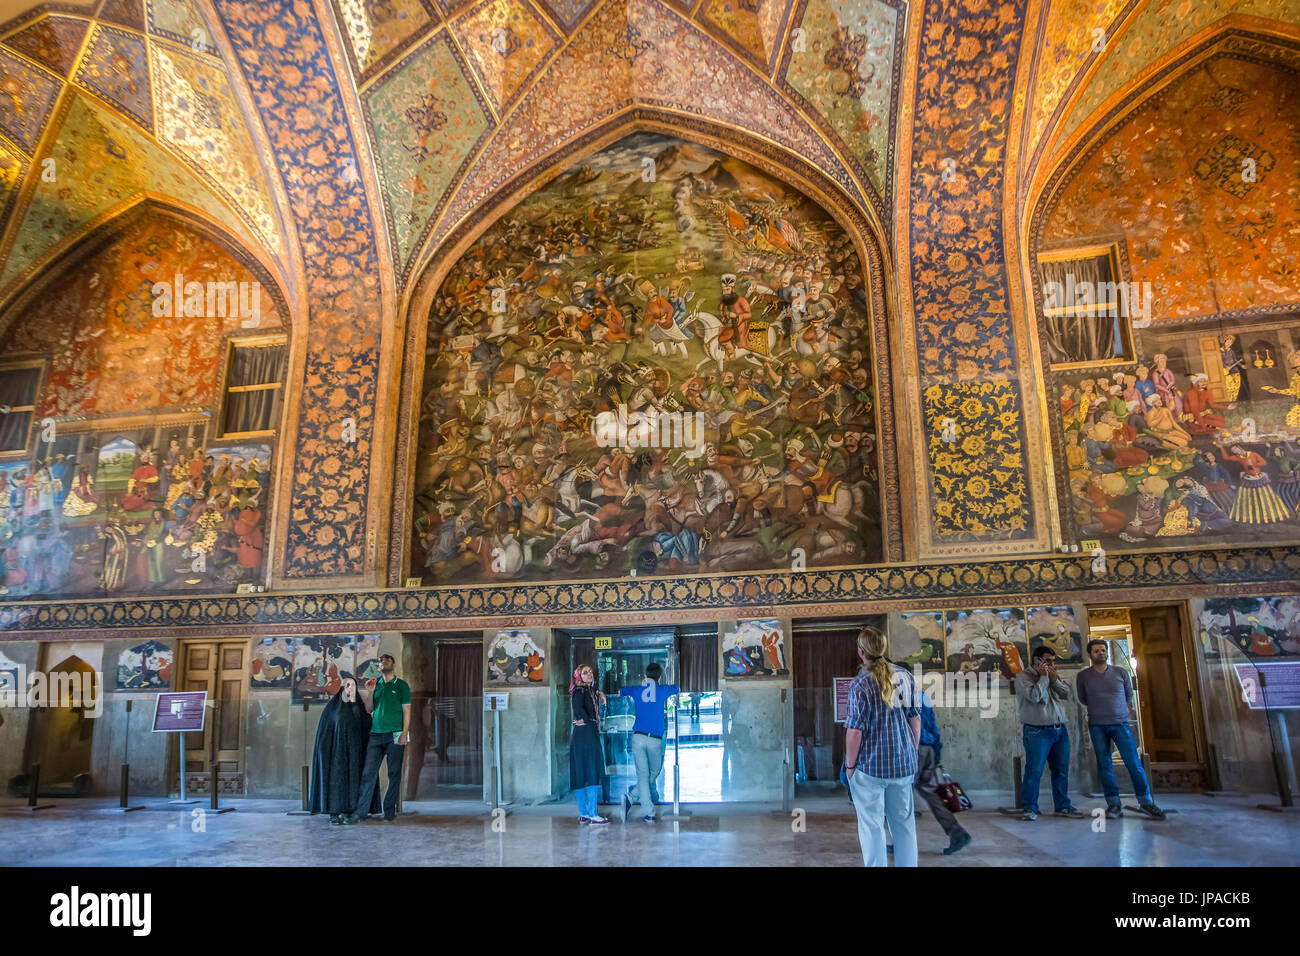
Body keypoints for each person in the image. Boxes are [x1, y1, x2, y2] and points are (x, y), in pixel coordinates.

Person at [844, 625, 920, 867]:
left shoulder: (860, 684)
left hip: (870, 767)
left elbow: (855, 732)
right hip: (903, 765)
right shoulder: (905, 677)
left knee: (872, 827)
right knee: (904, 825)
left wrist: (849, 766)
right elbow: (915, 719)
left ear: (860, 651)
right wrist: (911, 753)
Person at [1076, 639, 1166, 820]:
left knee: (1133, 763)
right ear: (1090, 654)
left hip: (1120, 724)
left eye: (1103, 650)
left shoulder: (1120, 672)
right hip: (1097, 725)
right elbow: (1083, 698)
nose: (1100, 653)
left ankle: (1146, 802)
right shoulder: (1083, 676)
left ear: (1107, 652)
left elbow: (1128, 695)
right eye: (1096, 651)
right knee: (1105, 765)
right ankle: (1114, 804)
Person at [1014, 645, 1083, 821]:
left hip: (1060, 730)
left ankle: (1062, 806)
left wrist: (1054, 679)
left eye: (1053, 661)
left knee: (1061, 770)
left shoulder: (1052, 676)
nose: (1052, 664)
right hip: (1037, 731)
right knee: (1034, 771)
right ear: (1037, 661)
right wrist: (1044, 678)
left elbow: (1067, 694)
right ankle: (1030, 808)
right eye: (1048, 661)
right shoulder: (1023, 678)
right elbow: (1035, 697)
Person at [343, 653, 410, 824]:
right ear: (378, 667)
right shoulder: (375, 684)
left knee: (394, 774)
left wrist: (404, 733)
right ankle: (361, 812)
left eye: (387, 660)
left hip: (395, 734)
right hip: (376, 735)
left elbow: (407, 711)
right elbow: (369, 709)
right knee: (368, 774)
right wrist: (370, 692)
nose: (383, 662)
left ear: (393, 664)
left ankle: (389, 810)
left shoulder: (401, 685)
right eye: (381, 661)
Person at [310, 678, 380, 824]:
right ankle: (334, 813)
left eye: (353, 685)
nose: (350, 688)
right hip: (336, 755)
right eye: (347, 685)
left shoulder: (359, 707)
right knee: (336, 783)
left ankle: (350, 811)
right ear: (342, 687)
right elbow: (324, 733)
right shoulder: (332, 707)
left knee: (354, 781)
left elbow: (368, 725)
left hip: (355, 754)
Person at [618, 662, 680, 823]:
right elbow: (677, 688)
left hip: (638, 737)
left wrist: (642, 685)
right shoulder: (662, 689)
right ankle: (648, 811)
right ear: (659, 677)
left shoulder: (638, 690)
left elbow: (621, 691)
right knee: (654, 771)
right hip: (655, 740)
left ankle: (632, 798)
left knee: (644, 774)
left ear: (645, 677)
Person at [915, 690, 972, 854]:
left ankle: (901, 842)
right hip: (929, 748)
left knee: (901, 795)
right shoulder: (922, 695)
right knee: (930, 792)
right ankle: (956, 832)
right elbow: (932, 724)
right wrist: (936, 751)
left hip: (914, 749)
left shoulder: (898, 695)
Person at [569, 664, 608, 824]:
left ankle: (585, 813)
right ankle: (592, 814)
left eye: (590, 672)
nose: (589, 674)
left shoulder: (588, 690)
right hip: (586, 734)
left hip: (586, 732)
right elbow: (579, 710)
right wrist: (585, 721)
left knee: (583, 770)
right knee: (590, 770)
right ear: (579, 676)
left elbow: (592, 693)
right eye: (585, 673)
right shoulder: (579, 691)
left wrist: (600, 692)